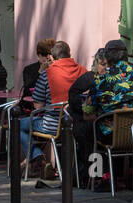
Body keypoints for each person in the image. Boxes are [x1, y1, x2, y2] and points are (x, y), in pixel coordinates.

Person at [19, 39, 85, 173]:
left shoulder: (47, 74)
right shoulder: (83, 70)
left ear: (53, 57)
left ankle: (39, 158)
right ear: (69, 53)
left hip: (53, 125)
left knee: (18, 125)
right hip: (78, 125)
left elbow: (38, 106)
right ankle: (40, 160)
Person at [68, 48, 107, 189]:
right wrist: (85, 103)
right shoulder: (88, 79)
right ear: (96, 63)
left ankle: (102, 176)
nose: (105, 68)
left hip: (104, 121)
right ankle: (89, 176)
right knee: (87, 135)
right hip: (84, 119)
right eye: (103, 64)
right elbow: (72, 98)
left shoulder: (110, 80)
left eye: (108, 65)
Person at [18, 38, 55, 112]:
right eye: (44, 54)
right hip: (32, 107)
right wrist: (40, 71)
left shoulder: (57, 69)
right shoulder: (29, 69)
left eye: (51, 54)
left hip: (52, 106)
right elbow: (27, 90)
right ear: (38, 55)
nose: (48, 57)